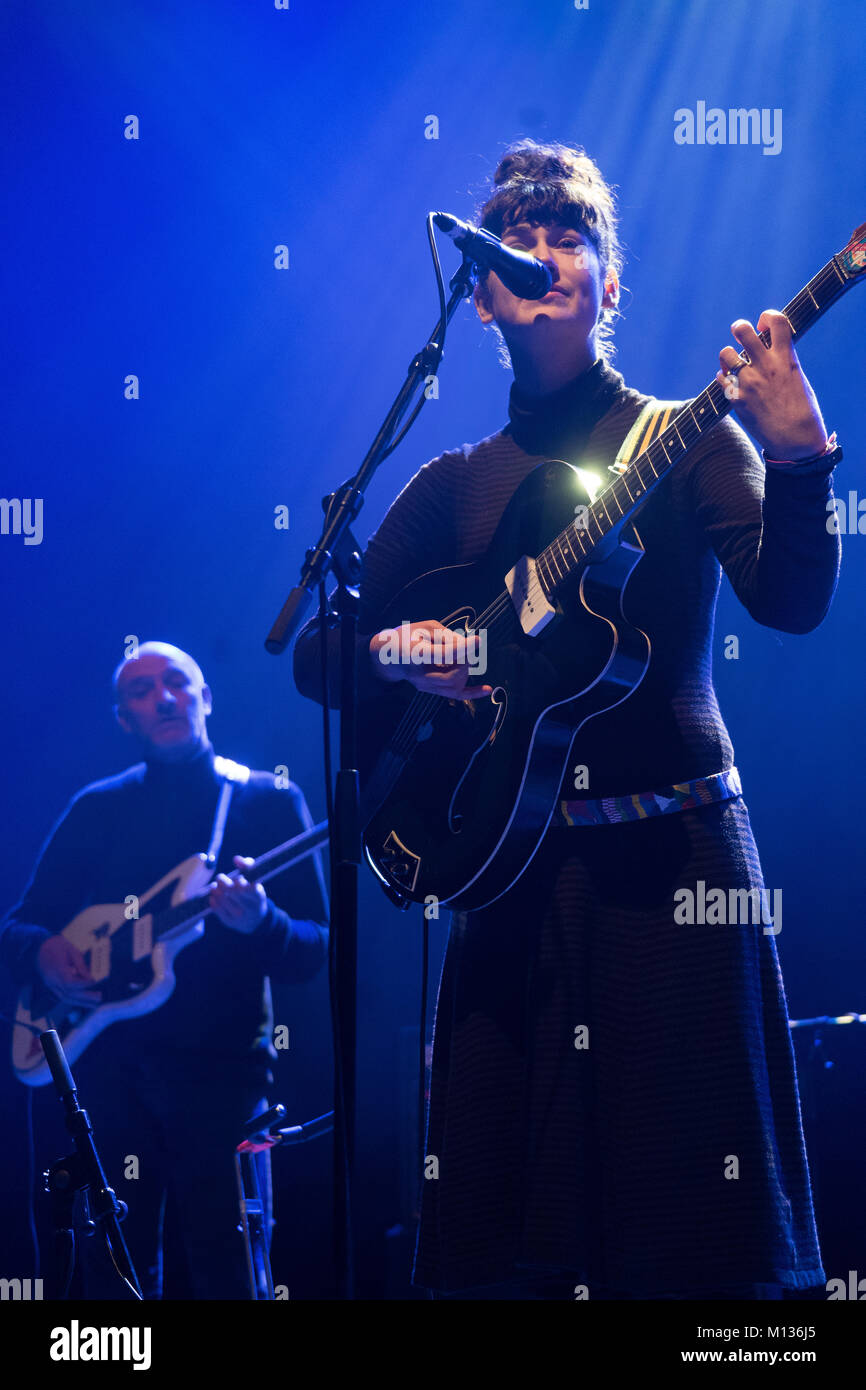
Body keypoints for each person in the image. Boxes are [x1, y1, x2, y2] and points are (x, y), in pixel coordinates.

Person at [293, 140, 842, 1299]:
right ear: (480, 291)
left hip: (675, 867)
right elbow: (320, 658)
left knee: (695, 1240)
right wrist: (397, 654)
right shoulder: (450, 485)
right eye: (519, 240)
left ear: (605, 278)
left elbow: (790, 605)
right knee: (506, 1251)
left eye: (570, 236)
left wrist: (798, 456)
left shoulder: (685, 439)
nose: (543, 255)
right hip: (505, 881)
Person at [1, 641, 328, 1299]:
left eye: (177, 682)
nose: (165, 698)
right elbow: (17, 923)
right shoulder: (97, 807)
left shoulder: (265, 801)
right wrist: (43, 952)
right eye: (143, 690)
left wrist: (259, 922)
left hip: (222, 1077)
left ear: (206, 697)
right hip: (108, 1079)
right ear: (125, 718)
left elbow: (314, 947)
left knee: (228, 1269)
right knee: (111, 1274)